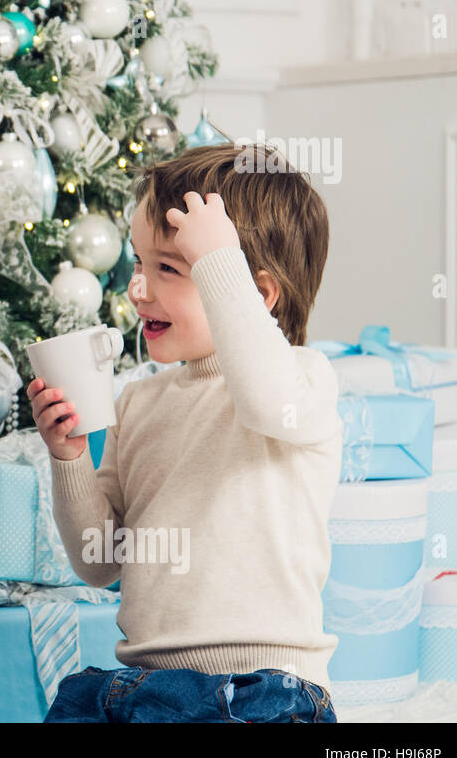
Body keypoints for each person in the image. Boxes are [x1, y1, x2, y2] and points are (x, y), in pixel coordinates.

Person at [29, 144, 340, 722]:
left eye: (169, 268)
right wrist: (69, 458)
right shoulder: (139, 402)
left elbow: (265, 398)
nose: (138, 290)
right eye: (138, 263)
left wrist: (219, 259)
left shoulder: (302, 382)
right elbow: (99, 561)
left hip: (263, 692)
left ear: (258, 293)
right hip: (144, 684)